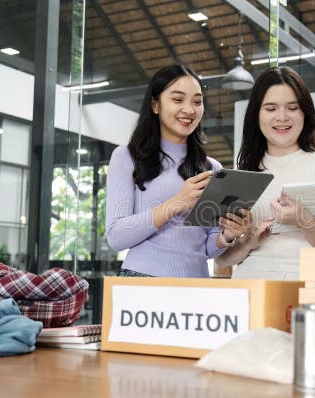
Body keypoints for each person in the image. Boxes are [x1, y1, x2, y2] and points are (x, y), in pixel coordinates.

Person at [105, 65, 249, 278]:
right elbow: (116, 237)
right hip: (143, 281)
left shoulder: (212, 168)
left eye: (197, 101)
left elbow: (207, 249)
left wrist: (227, 236)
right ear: (155, 105)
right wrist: (177, 202)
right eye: (178, 99)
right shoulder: (126, 156)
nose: (190, 110)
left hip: (196, 285)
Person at [215, 67, 315, 280]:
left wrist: (303, 220)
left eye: (292, 107)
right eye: (270, 108)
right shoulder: (243, 173)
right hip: (251, 287)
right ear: (257, 115)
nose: (282, 117)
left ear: (304, 112)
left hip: (309, 289)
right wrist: (248, 242)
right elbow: (222, 259)